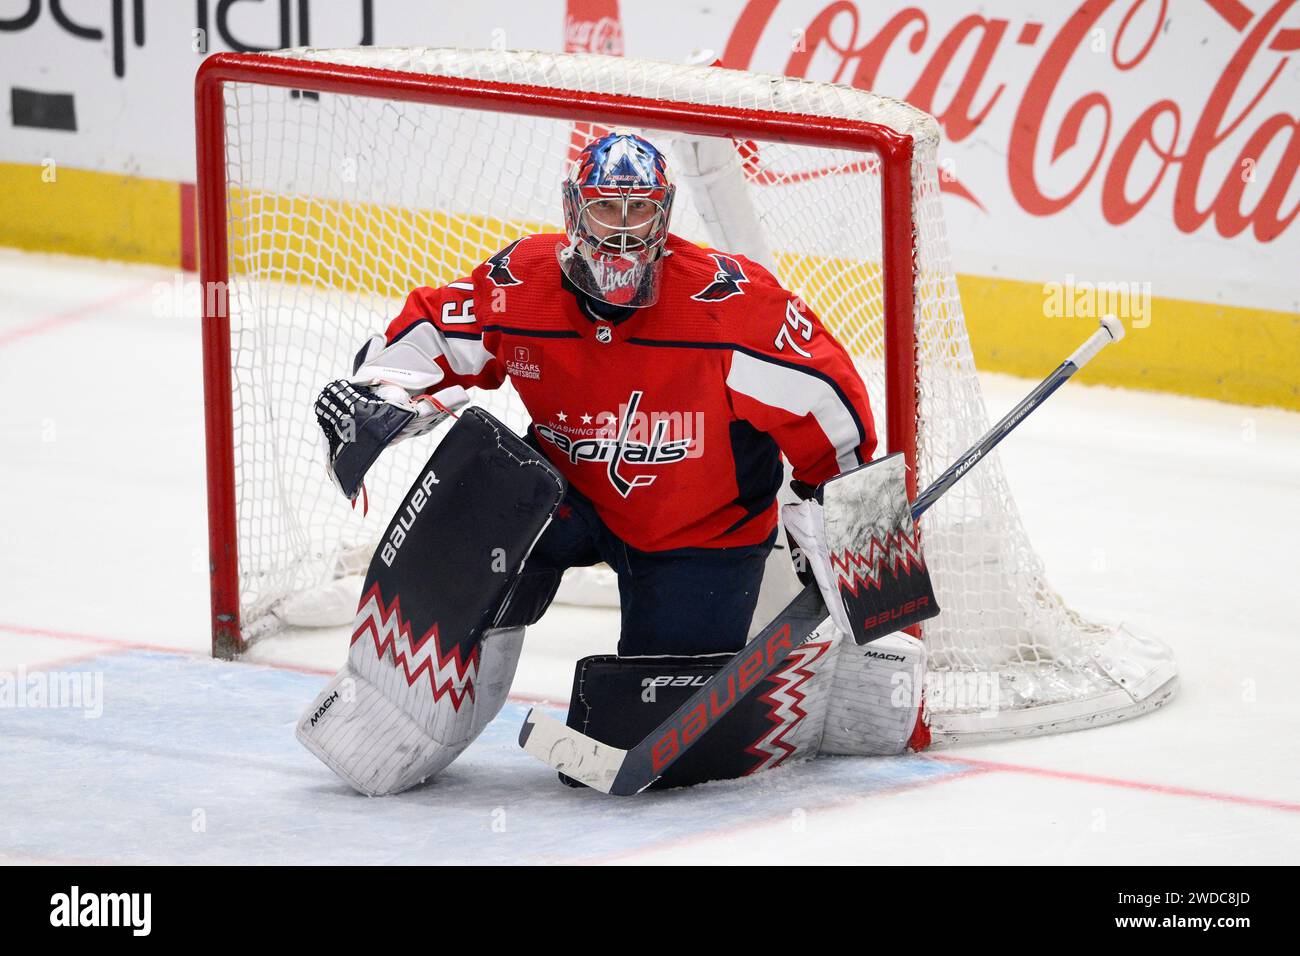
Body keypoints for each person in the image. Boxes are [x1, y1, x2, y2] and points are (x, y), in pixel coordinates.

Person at [321, 130, 877, 657]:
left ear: (664, 213)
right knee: (449, 554)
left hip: (699, 530)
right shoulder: (521, 283)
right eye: (605, 207)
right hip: (561, 497)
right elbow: (440, 331)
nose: (622, 228)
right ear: (574, 210)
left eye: (640, 209)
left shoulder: (731, 308)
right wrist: (383, 388)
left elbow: (826, 400)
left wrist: (849, 519)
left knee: (655, 724)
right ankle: (412, 692)